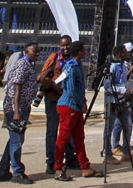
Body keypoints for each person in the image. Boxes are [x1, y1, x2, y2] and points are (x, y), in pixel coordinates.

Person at [0, 41, 38, 185]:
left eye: (38, 52)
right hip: (16, 108)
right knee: (16, 140)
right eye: (34, 51)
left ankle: (3, 170)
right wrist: (16, 110)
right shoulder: (22, 64)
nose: (37, 54)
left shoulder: (29, 65)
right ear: (26, 52)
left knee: (14, 139)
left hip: (23, 106)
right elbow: (17, 87)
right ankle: (17, 172)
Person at [52, 41, 95, 180]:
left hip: (75, 106)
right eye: (84, 50)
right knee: (63, 138)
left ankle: (85, 166)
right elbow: (70, 90)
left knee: (79, 137)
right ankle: (58, 168)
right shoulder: (71, 67)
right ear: (79, 52)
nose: (86, 52)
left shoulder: (77, 65)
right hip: (69, 106)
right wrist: (80, 103)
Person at [38, 35, 78, 173]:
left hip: (68, 100)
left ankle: (70, 158)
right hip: (53, 99)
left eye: (67, 45)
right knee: (52, 131)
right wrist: (54, 85)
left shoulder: (73, 61)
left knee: (69, 130)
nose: (65, 48)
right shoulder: (54, 58)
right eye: (63, 45)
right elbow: (42, 76)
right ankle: (51, 161)